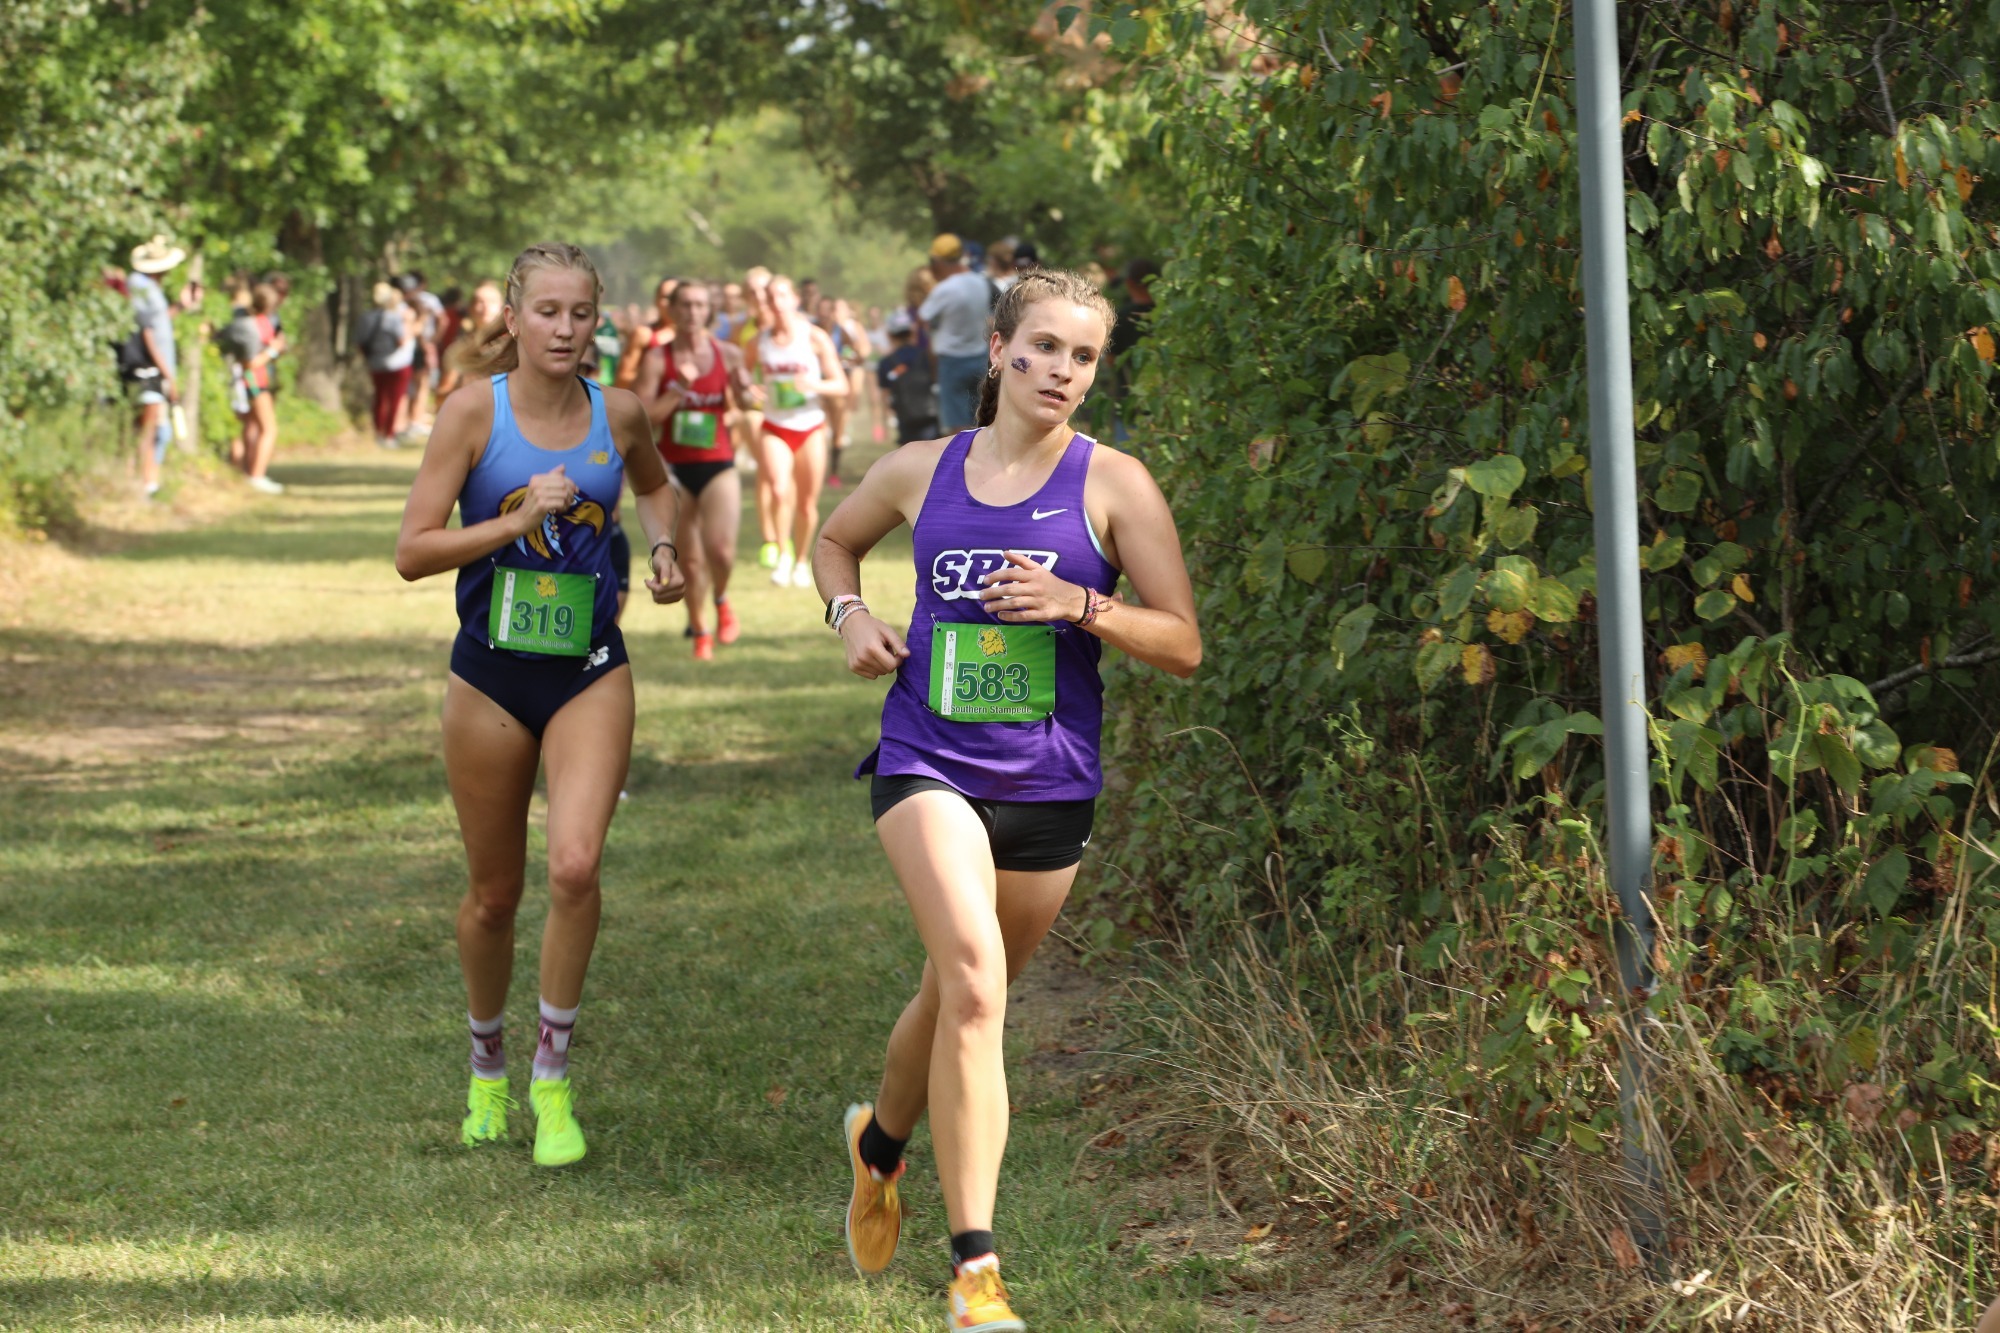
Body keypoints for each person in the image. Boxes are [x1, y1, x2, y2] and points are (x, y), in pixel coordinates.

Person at [812, 268, 1201, 1331]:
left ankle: (877, 1145)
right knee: (977, 987)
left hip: (1049, 781)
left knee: (952, 997)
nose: (1061, 372)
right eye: (1042, 348)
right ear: (996, 352)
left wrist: (1083, 603)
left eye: (1081, 356)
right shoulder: (918, 469)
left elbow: (1182, 642)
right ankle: (976, 1272)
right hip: (925, 760)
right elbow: (832, 538)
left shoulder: (1115, 485)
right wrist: (849, 614)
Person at [393, 240, 685, 1169]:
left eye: (581, 313)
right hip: (488, 674)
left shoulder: (621, 412)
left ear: (598, 320)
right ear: (514, 318)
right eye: (548, 312)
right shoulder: (473, 412)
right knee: (493, 895)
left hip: (590, 666)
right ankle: (486, 1068)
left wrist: (668, 549)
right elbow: (412, 549)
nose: (565, 329)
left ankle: (550, 1079)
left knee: (573, 866)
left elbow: (653, 487)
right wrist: (515, 522)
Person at [635, 279, 751, 659]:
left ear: (710, 310)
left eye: (700, 305)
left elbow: (744, 399)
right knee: (691, 558)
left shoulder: (728, 354)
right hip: (674, 468)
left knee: (720, 550)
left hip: (717, 463)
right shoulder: (657, 359)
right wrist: (677, 390)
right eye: (685, 305)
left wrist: (748, 392)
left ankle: (721, 599)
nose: (693, 312)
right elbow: (642, 418)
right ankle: (700, 629)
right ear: (672, 309)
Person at [753, 275, 848, 588]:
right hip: (774, 426)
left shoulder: (814, 337)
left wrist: (813, 384)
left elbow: (840, 384)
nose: (775, 304)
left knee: (807, 502)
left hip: (809, 426)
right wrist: (749, 391)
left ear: (794, 299)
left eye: (781, 296)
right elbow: (740, 375)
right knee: (780, 490)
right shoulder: (760, 340)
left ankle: (799, 562)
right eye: (770, 298)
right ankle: (782, 555)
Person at [123, 236, 188, 498]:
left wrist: (180, 306)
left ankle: (146, 483)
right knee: (150, 430)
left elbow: (157, 321)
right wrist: (168, 375)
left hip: (151, 368)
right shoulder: (143, 288)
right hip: (149, 370)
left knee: (155, 429)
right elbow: (149, 333)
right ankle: (144, 485)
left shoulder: (145, 287)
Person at [918, 235, 992, 433]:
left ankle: (961, 461)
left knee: (957, 421)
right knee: (981, 418)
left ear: (938, 261)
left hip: (952, 360)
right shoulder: (981, 283)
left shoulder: (944, 289)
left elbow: (923, 318)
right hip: (980, 357)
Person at [358, 282, 419, 449]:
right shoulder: (393, 317)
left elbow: (360, 343)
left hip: (375, 364)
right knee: (394, 399)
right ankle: (389, 434)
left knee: (379, 397)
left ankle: (378, 432)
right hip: (398, 364)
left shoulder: (366, 317)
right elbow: (401, 341)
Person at [239, 283, 287, 493]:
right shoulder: (258, 324)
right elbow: (252, 361)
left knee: (252, 427)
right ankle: (257, 475)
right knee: (269, 429)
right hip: (255, 381)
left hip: (249, 381)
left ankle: (248, 470)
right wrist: (275, 350)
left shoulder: (250, 322)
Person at [820, 296, 871, 488]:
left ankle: (833, 472)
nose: (825, 314)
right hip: (814, 386)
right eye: (821, 310)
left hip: (834, 386)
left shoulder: (840, 331)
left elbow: (855, 353)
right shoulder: (811, 330)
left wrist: (846, 359)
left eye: (829, 310)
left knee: (837, 429)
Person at [1105, 259, 1159, 445]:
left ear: (1128, 283)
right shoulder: (1166, 317)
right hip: (1163, 408)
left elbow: (1110, 360)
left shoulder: (1120, 318)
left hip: (1128, 406)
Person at [875, 311, 937, 445]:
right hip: (930, 416)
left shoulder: (886, 362)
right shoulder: (926, 356)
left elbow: (885, 395)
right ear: (911, 332)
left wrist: (884, 424)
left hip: (905, 419)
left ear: (889, 335)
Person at [438, 282, 503, 401]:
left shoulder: (515, 346)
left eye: (491, 302)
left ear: (502, 307)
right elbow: (443, 393)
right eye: (480, 302)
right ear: (471, 307)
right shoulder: (459, 349)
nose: (486, 307)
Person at [616, 276, 676, 390]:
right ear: (656, 300)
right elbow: (622, 378)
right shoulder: (643, 334)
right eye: (666, 297)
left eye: (675, 297)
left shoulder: (701, 337)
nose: (671, 303)